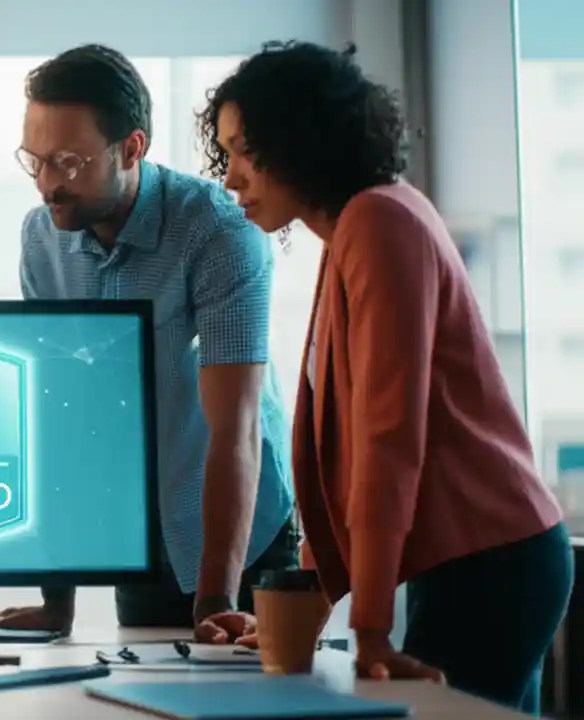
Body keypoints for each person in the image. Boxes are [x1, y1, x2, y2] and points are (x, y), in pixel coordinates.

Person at [197, 40, 573, 713]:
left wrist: (369, 631)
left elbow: (388, 440)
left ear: (298, 139)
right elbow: (339, 461)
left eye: (244, 152)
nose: (230, 177)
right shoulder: (353, 232)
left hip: (493, 561)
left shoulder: (379, 224)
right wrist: (295, 615)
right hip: (480, 561)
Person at [0, 44, 297, 641]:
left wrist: (215, 601)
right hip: (143, 521)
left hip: (242, 535)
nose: (49, 185)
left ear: (132, 148)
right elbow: (58, 416)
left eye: (69, 161)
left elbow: (236, 429)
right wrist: (57, 602)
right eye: (36, 160)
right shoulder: (43, 241)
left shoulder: (220, 234)